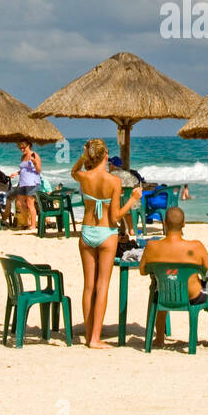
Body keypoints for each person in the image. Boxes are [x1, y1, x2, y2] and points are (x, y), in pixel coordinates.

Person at [71, 138, 143, 347]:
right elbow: (115, 217)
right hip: (106, 233)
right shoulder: (114, 181)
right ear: (106, 156)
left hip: (87, 231)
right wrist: (132, 199)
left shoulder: (84, 177)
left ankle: (87, 335)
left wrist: (83, 157)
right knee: (102, 286)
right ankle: (95, 338)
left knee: (88, 287)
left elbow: (73, 172)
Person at [139, 207, 208, 346]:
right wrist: (206, 279)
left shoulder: (152, 246)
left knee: (161, 286)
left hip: (163, 294)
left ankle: (159, 338)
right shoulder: (196, 246)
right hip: (193, 296)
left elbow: (142, 271)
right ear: (184, 224)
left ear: (165, 224)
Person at [11, 141, 42, 230]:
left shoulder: (34, 155)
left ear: (29, 146)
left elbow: (39, 170)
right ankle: (26, 222)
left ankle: (32, 225)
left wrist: (35, 163)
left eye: (24, 148)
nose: (22, 149)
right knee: (19, 203)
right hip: (22, 182)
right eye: (20, 148)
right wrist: (16, 173)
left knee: (30, 204)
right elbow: (24, 169)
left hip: (32, 182)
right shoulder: (23, 156)